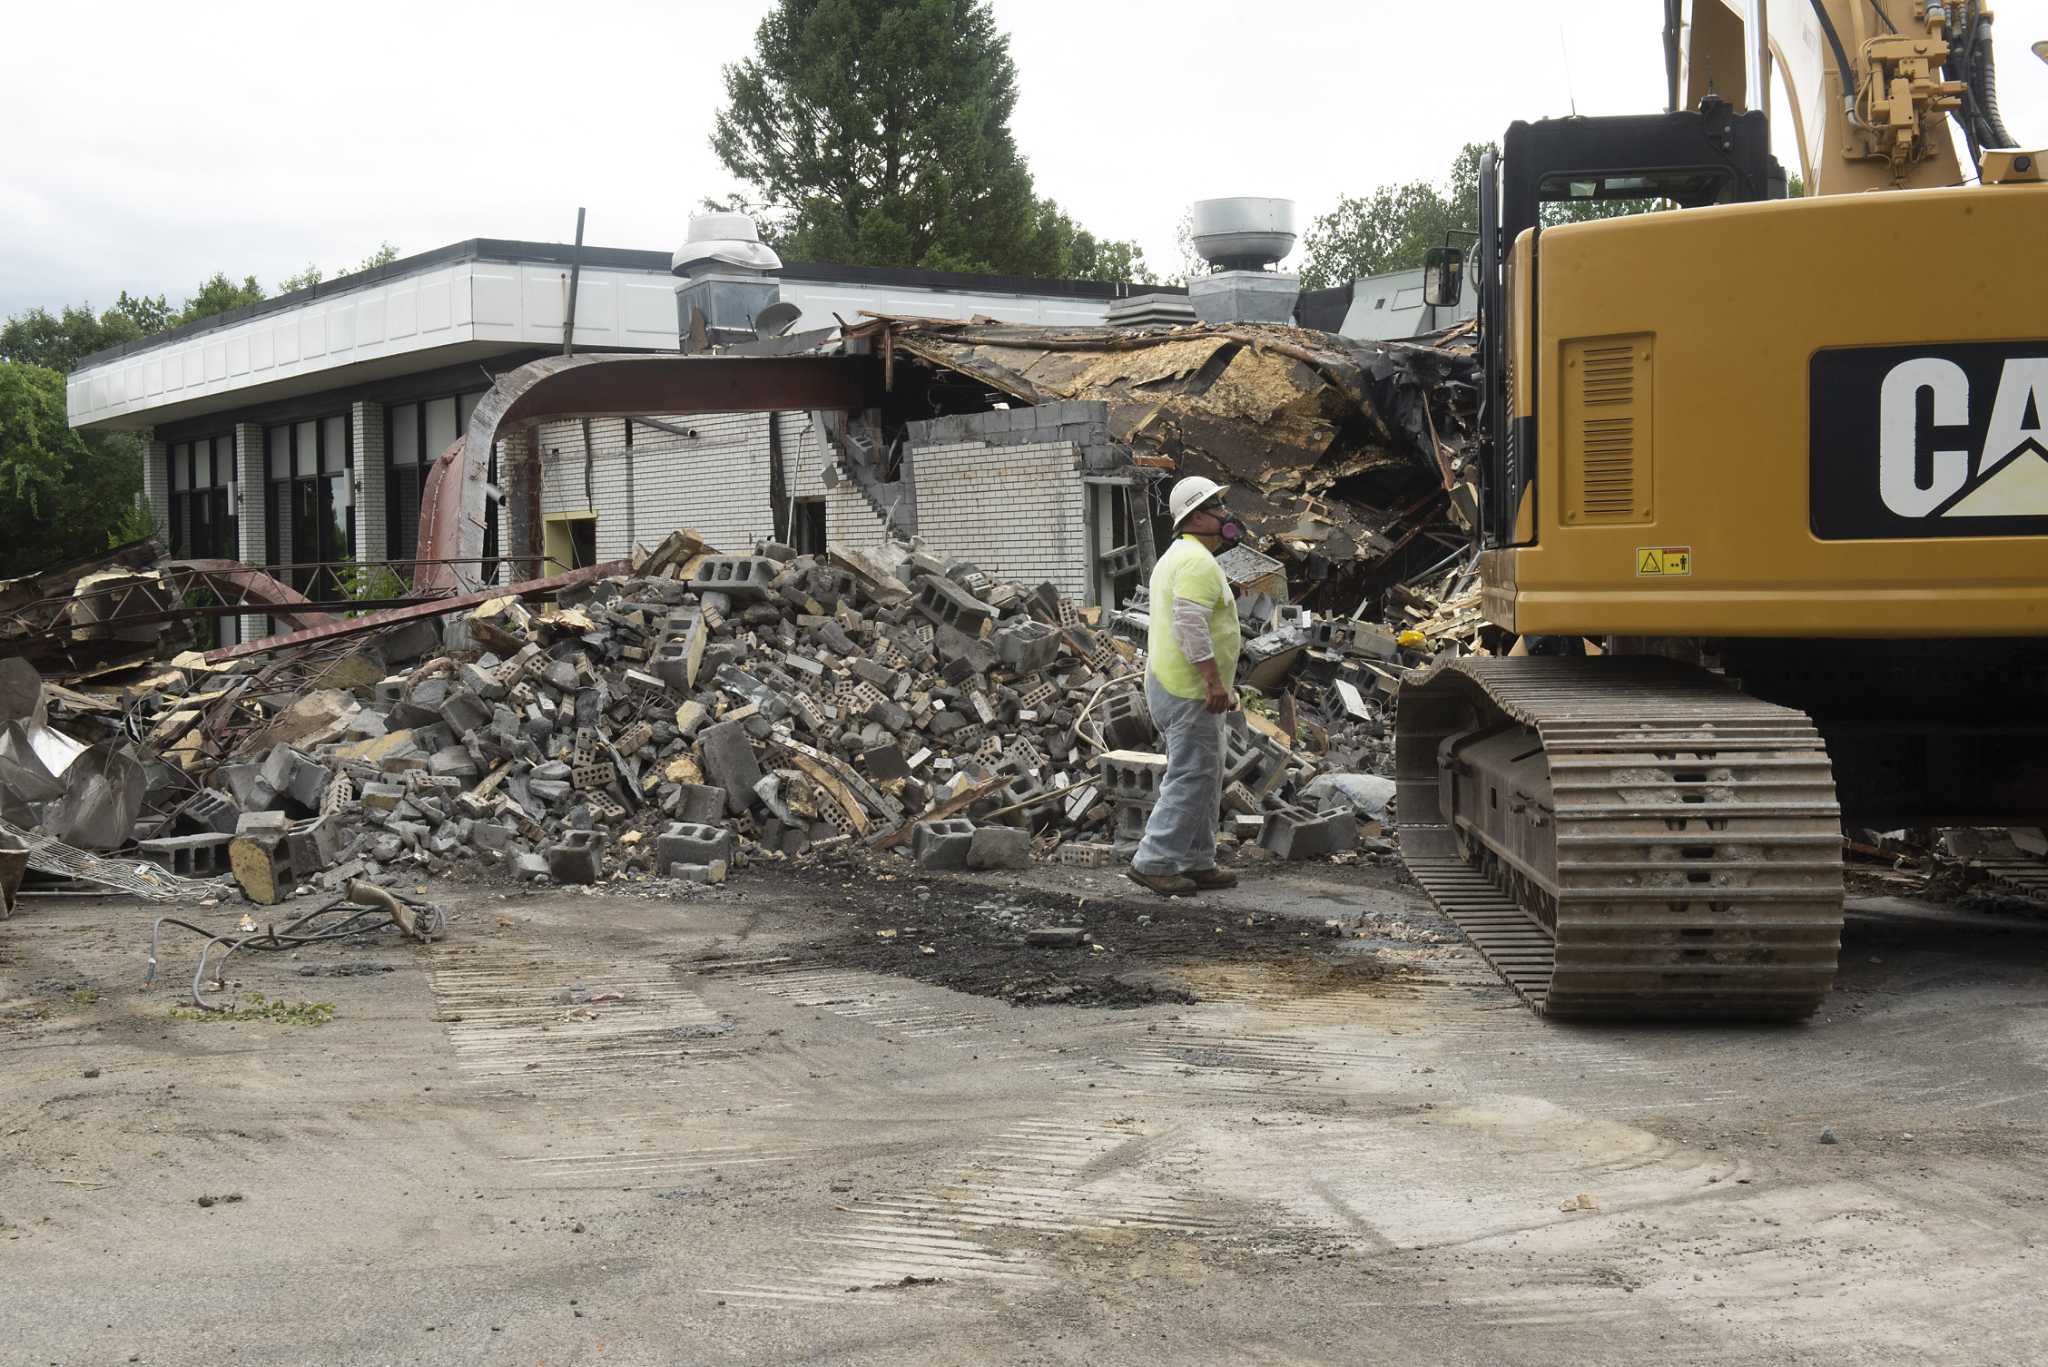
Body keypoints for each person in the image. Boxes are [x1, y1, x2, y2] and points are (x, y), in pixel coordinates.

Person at [1129, 476, 1245, 897]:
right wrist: (1213, 681)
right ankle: (1154, 861)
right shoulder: (1196, 562)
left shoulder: (1180, 555)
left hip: (1178, 684)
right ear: (1196, 518)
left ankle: (1197, 859)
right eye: (1217, 509)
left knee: (1205, 774)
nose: (1226, 516)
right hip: (1189, 689)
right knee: (1191, 774)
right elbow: (1190, 625)